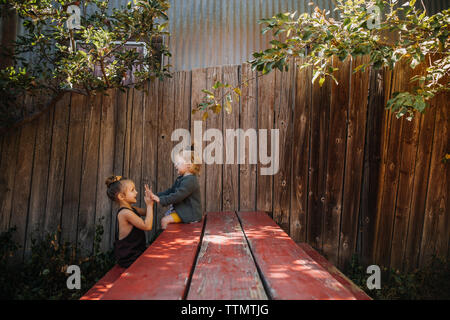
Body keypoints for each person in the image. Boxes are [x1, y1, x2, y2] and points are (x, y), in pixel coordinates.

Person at [105, 175, 154, 268]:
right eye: (132, 190)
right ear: (121, 196)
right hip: (130, 259)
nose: (136, 192)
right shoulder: (125, 213)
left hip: (137, 254)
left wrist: (150, 199)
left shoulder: (131, 209)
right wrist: (150, 205)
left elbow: (147, 212)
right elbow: (147, 226)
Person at [149, 150, 202, 229]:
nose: (175, 165)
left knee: (164, 220)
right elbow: (171, 191)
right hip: (184, 211)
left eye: (178, 163)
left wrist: (160, 199)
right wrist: (155, 196)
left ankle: (165, 239)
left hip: (191, 214)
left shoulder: (190, 181)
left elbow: (177, 196)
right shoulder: (182, 178)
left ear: (188, 164)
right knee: (167, 216)